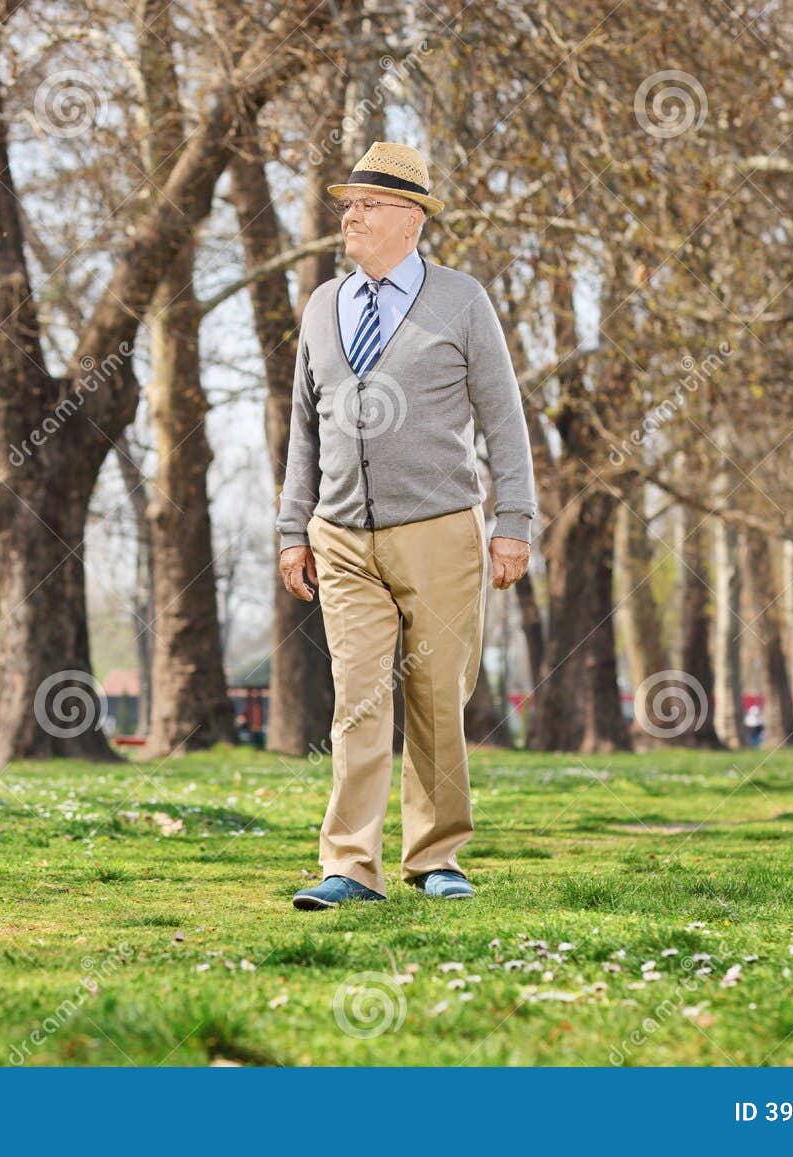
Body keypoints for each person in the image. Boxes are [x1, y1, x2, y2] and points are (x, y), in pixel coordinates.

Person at [276, 142, 538, 911]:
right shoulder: (324, 305)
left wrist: (513, 519)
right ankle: (351, 866)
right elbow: (303, 426)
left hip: (440, 528)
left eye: (367, 203)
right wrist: (295, 528)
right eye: (347, 203)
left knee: (433, 696)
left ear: (410, 220)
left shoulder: (462, 301)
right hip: (342, 534)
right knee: (357, 699)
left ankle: (436, 857)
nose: (349, 216)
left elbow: (504, 417)